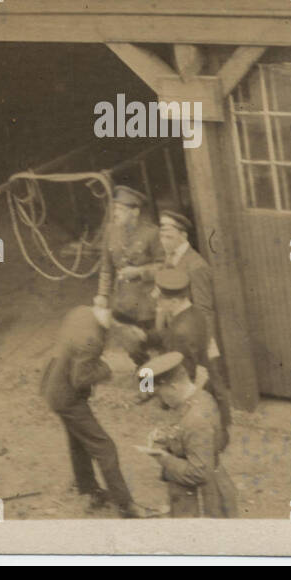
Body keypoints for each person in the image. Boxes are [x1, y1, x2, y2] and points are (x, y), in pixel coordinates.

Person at [40, 305, 153, 518]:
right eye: (132, 333)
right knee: (105, 447)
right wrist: (109, 367)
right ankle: (127, 506)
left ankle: (88, 489)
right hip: (66, 396)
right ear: (120, 325)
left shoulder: (82, 311)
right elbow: (80, 378)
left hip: (53, 382)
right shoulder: (92, 339)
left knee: (78, 440)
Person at [140, 352, 239, 518]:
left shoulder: (195, 420)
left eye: (159, 394)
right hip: (207, 490)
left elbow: (198, 474)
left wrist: (163, 458)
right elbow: (191, 434)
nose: (161, 402)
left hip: (202, 503)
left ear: (173, 387)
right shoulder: (200, 397)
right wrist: (166, 437)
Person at [153, 267, 232, 450]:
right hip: (210, 387)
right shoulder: (194, 313)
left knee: (193, 447)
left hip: (196, 393)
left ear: (173, 301)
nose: (157, 303)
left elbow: (181, 372)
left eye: (160, 300)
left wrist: (148, 387)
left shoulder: (180, 332)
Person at [95, 185, 164, 366]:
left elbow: (165, 266)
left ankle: (160, 384)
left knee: (154, 346)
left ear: (135, 212)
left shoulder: (152, 233)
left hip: (147, 304)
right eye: (114, 209)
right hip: (123, 304)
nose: (115, 213)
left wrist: (139, 272)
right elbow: (106, 267)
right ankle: (148, 386)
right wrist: (102, 294)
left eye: (120, 209)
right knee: (134, 349)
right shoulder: (111, 231)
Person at [156, 208, 215, 345]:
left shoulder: (196, 265)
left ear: (183, 236)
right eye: (162, 237)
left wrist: (205, 348)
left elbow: (204, 310)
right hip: (173, 333)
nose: (164, 242)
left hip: (191, 337)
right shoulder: (169, 257)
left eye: (169, 237)